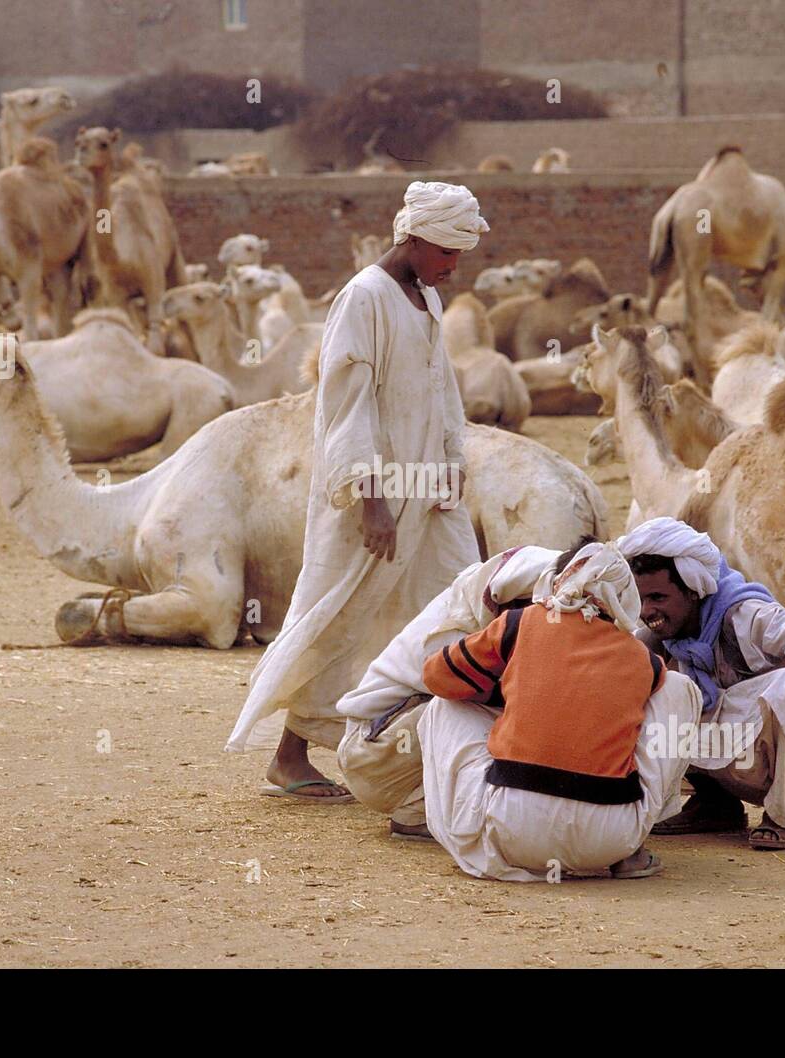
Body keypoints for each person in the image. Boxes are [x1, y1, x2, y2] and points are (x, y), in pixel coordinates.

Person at [225, 182, 489, 801]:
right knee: (343, 611)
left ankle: (439, 744)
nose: (454, 266)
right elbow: (347, 406)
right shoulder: (364, 298)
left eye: (461, 253)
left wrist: (452, 465)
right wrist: (372, 499)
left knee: (457, 601)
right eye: (447, 251)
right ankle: (290, 755)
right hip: (372, 496)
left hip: (428, 493)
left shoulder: (423, 296)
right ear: (414, 238)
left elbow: (442, 392)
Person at [416, 541, 704, 881]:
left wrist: (512, 688)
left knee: (442, 708)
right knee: (677, 689)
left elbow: (436, 677)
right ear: (622, 594)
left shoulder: (517, 623)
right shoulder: (641, 658)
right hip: (610, 838)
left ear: (558, 580)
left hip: (513, 832)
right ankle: (634, 853)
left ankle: (464, 833)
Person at [621, 516, 785, 850]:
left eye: (658, 597)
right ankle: (715, 806)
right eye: (640, 599)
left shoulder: (744, 612)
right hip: (734, 760)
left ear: (692, 590)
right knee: (656, 690)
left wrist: (755, 696)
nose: (647, 611)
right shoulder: (662, 637)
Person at [336, 541, 582, 840]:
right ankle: (420, 814)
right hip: (374, 758)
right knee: (468, 705)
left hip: (390, 751)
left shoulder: (505, 605)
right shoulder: (457, 625)